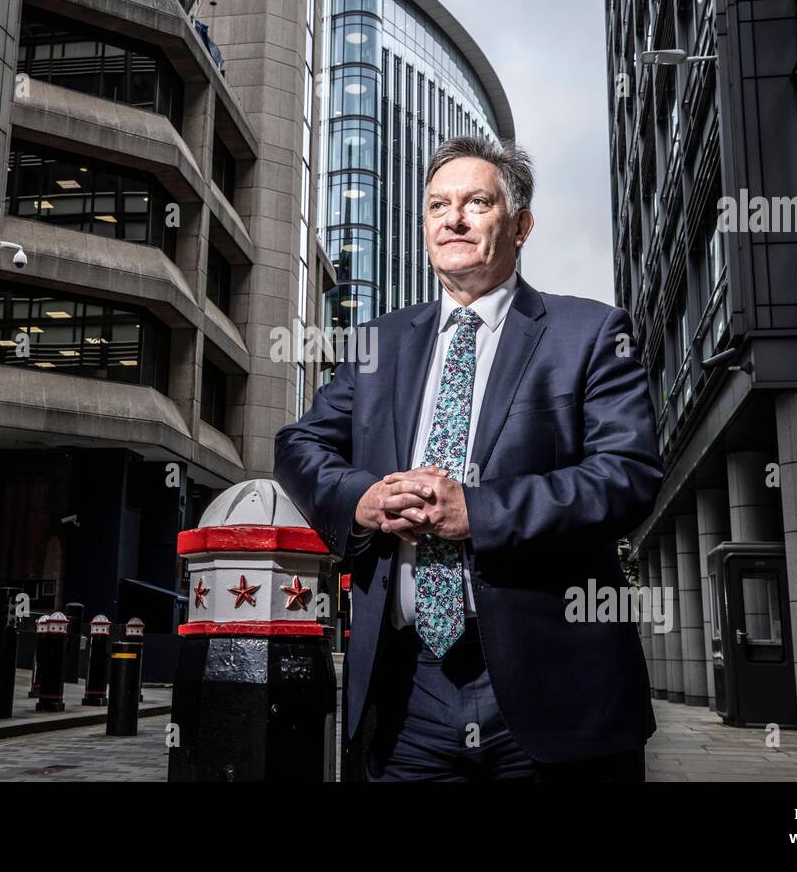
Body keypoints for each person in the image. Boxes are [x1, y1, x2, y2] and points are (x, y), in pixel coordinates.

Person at [274, 135, 663, 781]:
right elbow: (298, 443)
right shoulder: (378, 343)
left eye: (476, 202)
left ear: (521, 224)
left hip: (555, 691)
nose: (452, 219)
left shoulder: (590, 334)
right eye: (437, 205)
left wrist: (477, 512)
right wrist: (361, 499)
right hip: (406, 695)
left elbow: (627, 477)